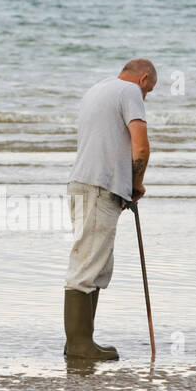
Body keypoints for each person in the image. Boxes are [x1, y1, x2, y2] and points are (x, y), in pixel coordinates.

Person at [63, 58, 156, 359]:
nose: (144, 98)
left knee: (99, 266)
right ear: (143, 79)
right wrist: (136, 184)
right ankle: (78, 345)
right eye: (149, 91)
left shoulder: (97, 89)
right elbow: (141, 146)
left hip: (83, 184)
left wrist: (125, 184)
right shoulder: (129, 92)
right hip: (100, 186)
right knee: (87, 266)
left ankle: (83, 341)